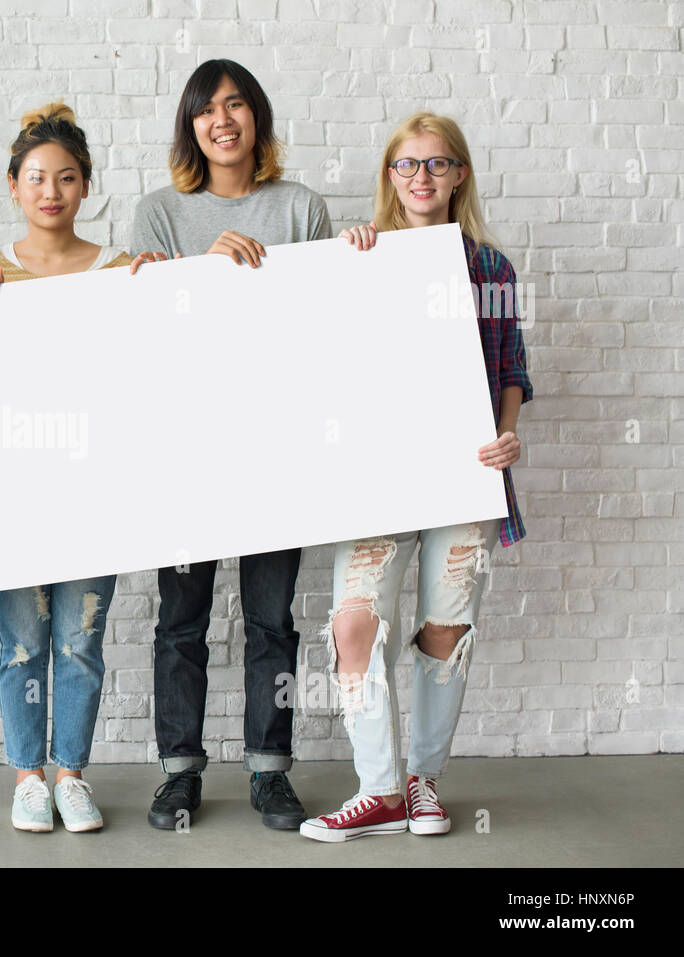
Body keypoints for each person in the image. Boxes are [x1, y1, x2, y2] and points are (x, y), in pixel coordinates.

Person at [299, 112, 533, 842]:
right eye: (407, 165)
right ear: (389, 176)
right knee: (355, 624)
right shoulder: (360, 257)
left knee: (444, 628)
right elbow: (320, 362)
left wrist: (508, 436)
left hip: (462, 474)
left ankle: (423, 782)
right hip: (378, 474)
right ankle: (378, 791)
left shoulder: (490, 267)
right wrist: (348, 267)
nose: (422, 177)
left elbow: (511, 369)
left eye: (437, 163)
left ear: (459, 173)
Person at [128, 58, 332, 832]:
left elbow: (319, 324)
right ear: (190, 126)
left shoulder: (301, 207)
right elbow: (144, 335)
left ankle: (270, 771)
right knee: (182, 621)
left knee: (272, 620)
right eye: (207, 109)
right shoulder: (159, 212)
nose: (223, 120)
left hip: (275, 446)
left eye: (237, 105)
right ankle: (179, 773)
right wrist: (197, 276)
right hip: (186, 450)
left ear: (258, 119)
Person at [0, 101, 133, 833]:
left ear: (86, 185)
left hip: (95, 488)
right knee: (22, 643)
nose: (51, 191)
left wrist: (158, 291)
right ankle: (28, 774)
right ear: (13, 185)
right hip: (13, 491)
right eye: (37, 178)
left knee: (80, 641)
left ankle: (71, 775)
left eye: (66, 177)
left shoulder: (122, 268)